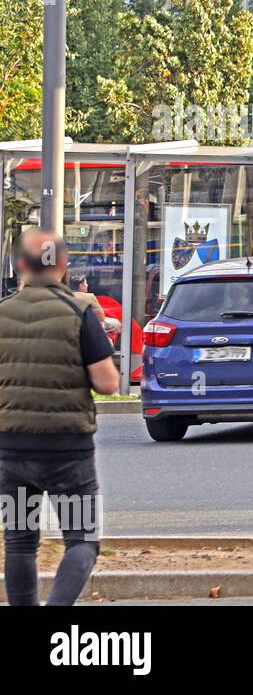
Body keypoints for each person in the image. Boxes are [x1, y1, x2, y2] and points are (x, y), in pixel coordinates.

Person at [0, 230, 120, 606]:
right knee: (82, 540)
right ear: (64, 265)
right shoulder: (79, 312)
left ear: (20, 264)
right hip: (68, 453)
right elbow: (108, 383)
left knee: (20, 541)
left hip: (12, 451)